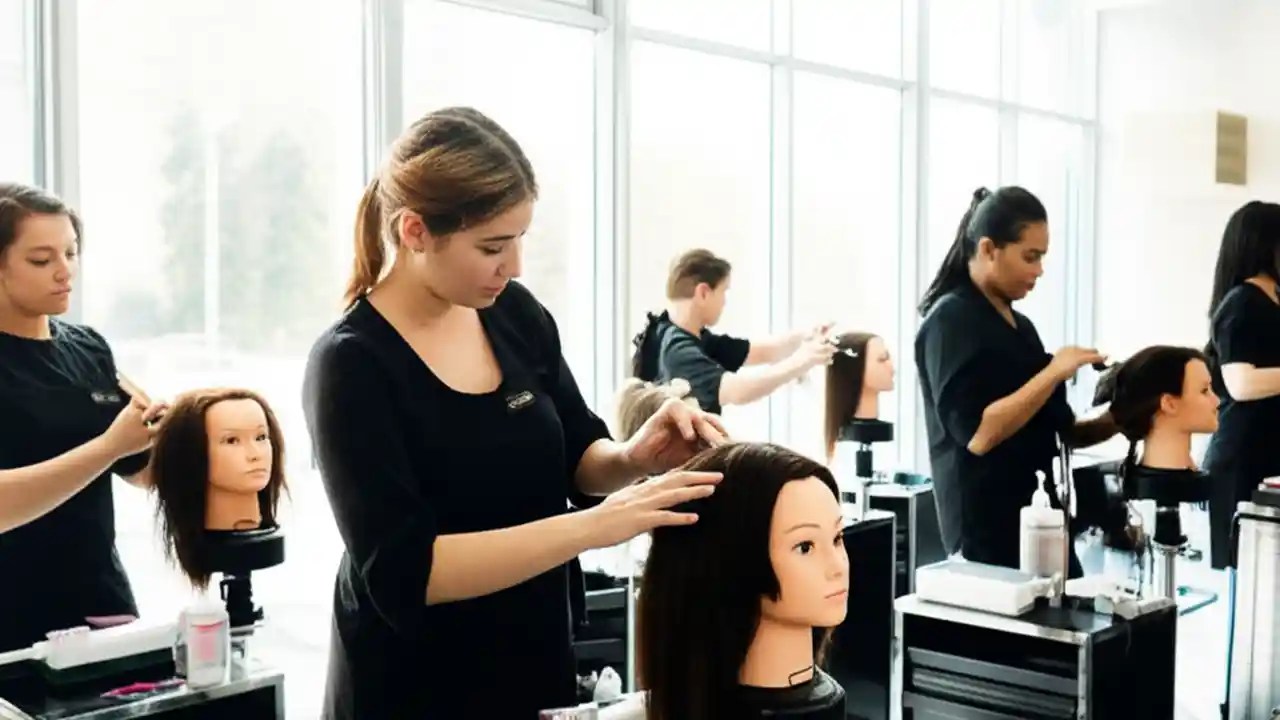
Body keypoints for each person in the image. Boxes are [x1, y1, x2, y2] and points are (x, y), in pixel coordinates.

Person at [301, 106, 728, 719]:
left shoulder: (515, 314)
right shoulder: (350, 366)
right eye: (493, 246)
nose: (516, 265)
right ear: (415, 231)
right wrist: (600, 526)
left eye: (521, 239)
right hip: (412, 683)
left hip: (532, 653)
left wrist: (635, 459)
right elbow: (406, 572)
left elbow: (579, 453)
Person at [0, 183, 168, 652]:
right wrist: (111, 444)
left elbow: (140, 472)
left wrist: (163, 434)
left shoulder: (88, 346)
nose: (64, 272)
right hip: (11, 618)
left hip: (100, 603)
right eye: (41, 259)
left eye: (71, 253)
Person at [915, 186, 1117, 570]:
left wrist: (1125, 412)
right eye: (1031, 257)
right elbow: (978, 434)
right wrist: (1055, 370)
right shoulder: (950, 321)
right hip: (985, 536)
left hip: (1041, 519)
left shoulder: (1022, 328)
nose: (1039, 270)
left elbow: (1065, 430)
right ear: (990, 249)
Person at [630, 248, 836, 415]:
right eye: (723, 291)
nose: (724, 301)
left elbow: (763, 351)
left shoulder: (681, 334)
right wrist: (802, 361)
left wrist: (807, 336)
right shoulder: (678, 351)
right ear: (703, 292)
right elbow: (737, 391)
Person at [1202, 200, 1280, 569]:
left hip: (1267, 454)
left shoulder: (1271, 300)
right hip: (1244, 458)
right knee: (1247, 580)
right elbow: (1242, 383)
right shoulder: (1242, 303)